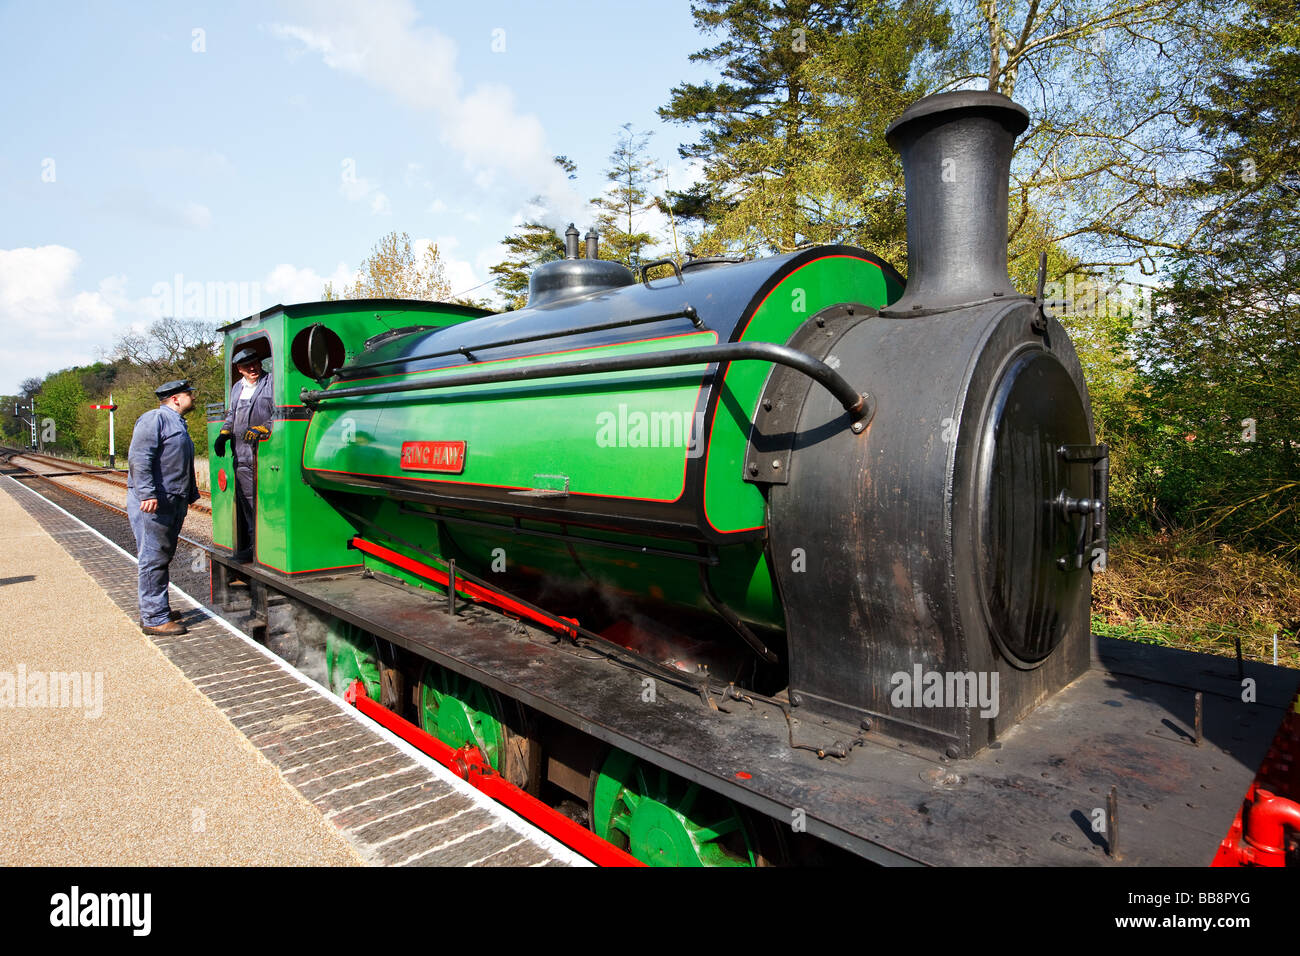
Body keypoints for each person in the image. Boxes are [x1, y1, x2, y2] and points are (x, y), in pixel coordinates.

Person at [127, 380, 200, 636]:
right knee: (153, 558)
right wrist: (147, 493)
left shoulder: (177, 423)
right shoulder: (154, 418)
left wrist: (190, 493)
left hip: (172, 500)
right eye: (189, 394)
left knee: (161, 556)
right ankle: (154, 618)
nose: (193, 397)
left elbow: (179, 462)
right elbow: (139, 457)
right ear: (176, 399)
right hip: (154, 502)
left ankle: (159, 608)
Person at [213, 346, 274, 562]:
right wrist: (223, 434)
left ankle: (264, 547)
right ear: (239, 369)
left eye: (254, 363)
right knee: (246, 501)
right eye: (246, 366)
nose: (252, 368)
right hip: (240, 453)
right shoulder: (237, 388)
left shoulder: (273, 383)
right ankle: (252, 546)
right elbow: (231, 415)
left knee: (264, 501)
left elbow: (280, 412)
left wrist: (264, 428)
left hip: (265, 453)